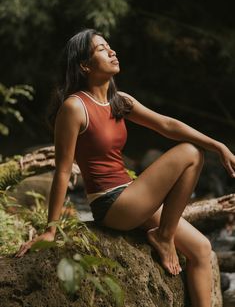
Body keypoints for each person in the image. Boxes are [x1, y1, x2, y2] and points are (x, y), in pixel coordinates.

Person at [16, 28, 235, 307]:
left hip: (133, 196)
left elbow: (167, 125)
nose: (112, 51)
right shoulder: (75, 108)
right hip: (112, 204)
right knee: (192, 153)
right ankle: (164, 236)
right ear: (84, 65)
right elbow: (62, 170)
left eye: (110, 46)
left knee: (202, 249)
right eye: (101, 49)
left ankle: (163, 235)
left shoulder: (119, 101)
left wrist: (219, 145)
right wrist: (50, 229)